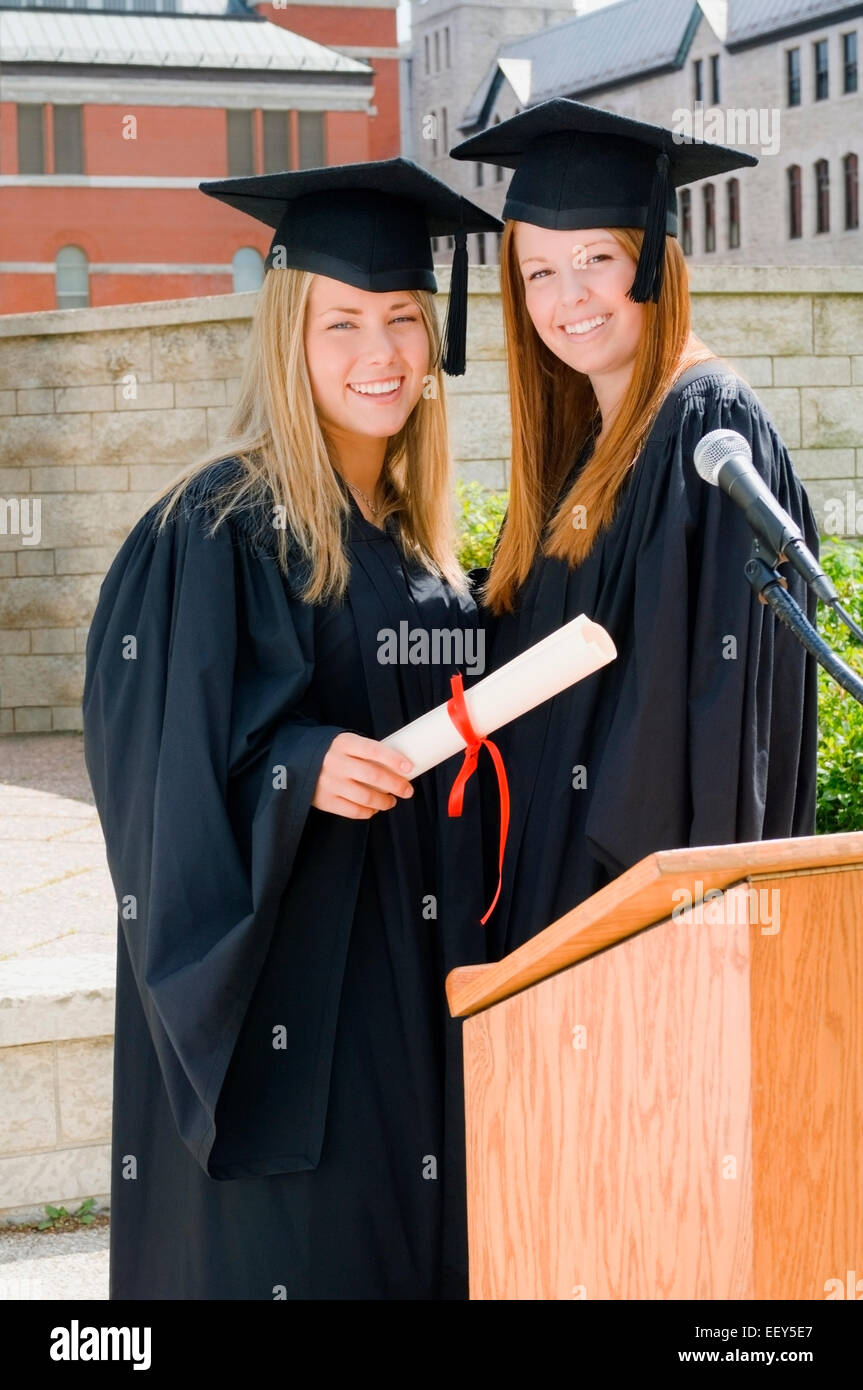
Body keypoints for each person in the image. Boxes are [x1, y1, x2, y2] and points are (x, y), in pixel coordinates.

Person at [82, 159, 501, 1299]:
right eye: (344, 322)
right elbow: (153, 781)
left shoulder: (418, 552)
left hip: (418, 1003)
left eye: (404, 320)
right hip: (297, 1024)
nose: (382, 353)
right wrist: (297, 768)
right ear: (287, 336)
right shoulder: (213, 529)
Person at [449, 101, 819, 958]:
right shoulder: (575, 452)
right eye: (537, 272)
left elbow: (723, 719)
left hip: (640, 921)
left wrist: (676, 925)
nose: (566, 297)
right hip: (551, 899)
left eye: (595, 259)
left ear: (654, 261)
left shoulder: (705, 422)